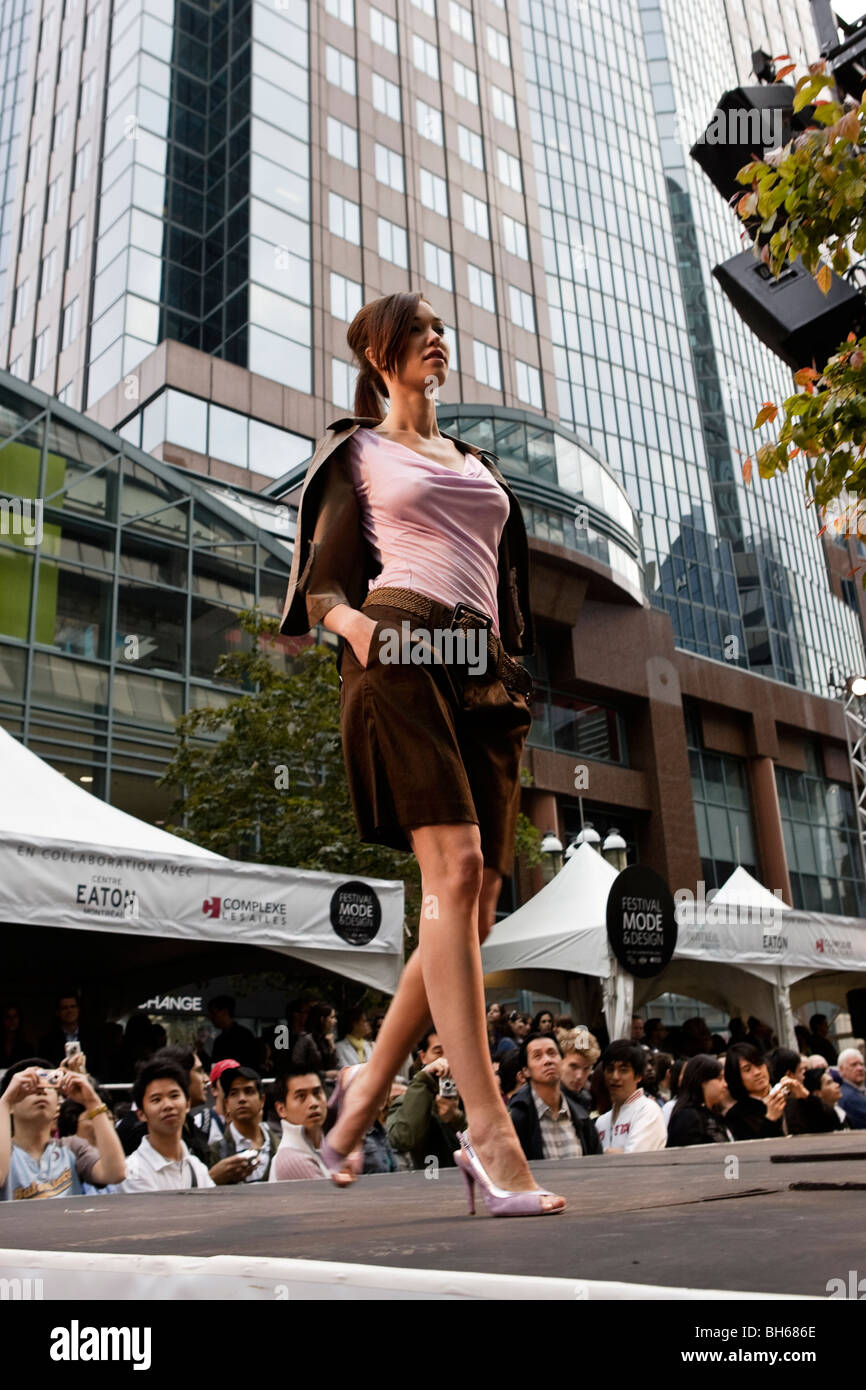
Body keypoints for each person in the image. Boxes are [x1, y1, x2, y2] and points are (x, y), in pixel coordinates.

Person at [277, 290, 559, 1217]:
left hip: (481, 669)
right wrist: (358, 632)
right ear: (379, 356)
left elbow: (504, 578)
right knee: (456, 865)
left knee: (468, 910)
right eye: (419, 332)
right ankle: (488, 1134)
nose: (437, 340)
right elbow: (321, 586)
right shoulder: (355, 451)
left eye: (442, 330)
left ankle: (351, 1119)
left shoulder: (474, 459)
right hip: (400, 647)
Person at [0, 1059, 126, 1200]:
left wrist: (91, 1100)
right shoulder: (6, 1154)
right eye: (29, 1086)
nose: (41, 1091)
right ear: (11, 1103)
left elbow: (115, 1173)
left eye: (48, 1084)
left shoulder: (73, 1148)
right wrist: (4, 1102)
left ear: (58, 1104)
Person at [119, 1059, 215, 1192]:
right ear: (141, 1114)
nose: (168, 1105)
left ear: (187, 1104)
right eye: (156, 1099)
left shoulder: (196, 1167)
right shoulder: (133, 1171)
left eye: (174, 1096)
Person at [508, 1033, 601, 1160]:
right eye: (537, 1056)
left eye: (552, 1053)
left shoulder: (581, 1114)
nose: (547, 1060)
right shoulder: (519, 1114)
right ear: (526, 1071)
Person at [386, 1054, 467, 1169]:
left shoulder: (473, 1096)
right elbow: (403, 1139)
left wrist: (457, 1119)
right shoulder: (409, 1099)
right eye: (438, 1052)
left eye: (449, 1051)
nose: (443, 1060)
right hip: (430, 1179)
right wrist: (423, 1079)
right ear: (423, 1056)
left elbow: (486, 1145)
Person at [270, 1067, 349, 1181]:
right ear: (281, 1109)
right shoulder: (293, 1160)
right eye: (301, 1096)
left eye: (317, 1093)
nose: (313, 1103)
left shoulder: (325, 1148)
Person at [208, 1066, 281, 1182]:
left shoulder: (280, 1146)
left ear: (262, 1100)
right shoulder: (214, 1152)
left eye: (248, 1091)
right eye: (234, 1093)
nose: (242, 1099)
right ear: (226, 1104)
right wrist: (213, 1178)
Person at [595, 1040, 667, 1153]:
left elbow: (635, 1159)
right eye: (610, 1069)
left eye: (623, 1070)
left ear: (638, 1076)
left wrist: (605, 1154)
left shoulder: (648, 1110)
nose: (615, 1076)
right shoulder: (601, 1122)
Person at [723, 1043, 790, 1140]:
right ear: (736, 1077)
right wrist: (771, 1119)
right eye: (747, 1069)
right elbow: (753, 1151)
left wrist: (805, 1096)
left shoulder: (787, 1095)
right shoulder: (736, 1116)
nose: (757, 1072)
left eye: (759, 1064)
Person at [666, 1056, 733, 1147]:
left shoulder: (713, 1114)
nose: (725, 1084)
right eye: (719, 1078)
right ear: (702, 1081)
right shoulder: (688, 1116)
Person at [786, 1067, 847, 1134]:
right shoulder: (816, 1117)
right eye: (829, 1083)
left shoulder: (840, 1111)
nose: (837, 1085)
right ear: (817, 1093)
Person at [37, 993, 94, 1067]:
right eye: (64, 1008)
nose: (69, 1010)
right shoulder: (47, 1042)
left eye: (73, 1007)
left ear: (78, 1010)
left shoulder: (93, 1038)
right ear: (58, 1012)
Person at [207, 996, 261, 1071]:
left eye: (213, 1013)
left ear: (224, 1012)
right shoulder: (220, 1040)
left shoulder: (243, 1036)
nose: (211, 1017)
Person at [291, 1002, 339, 1081]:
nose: (335, 1021)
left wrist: (332, 1048)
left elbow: (333, 1066)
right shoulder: (305, 1039)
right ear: (322, 1019)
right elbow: (297, 1068)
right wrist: (324, 1074)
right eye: (332, 1017)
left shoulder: (327, 1039)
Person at [837, 1047, 866, 1129]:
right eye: (854, 1065)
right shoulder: (849, 1096)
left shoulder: (855, 1092)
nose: (860, 1068)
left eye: (861, 1064)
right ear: (841, 1070)